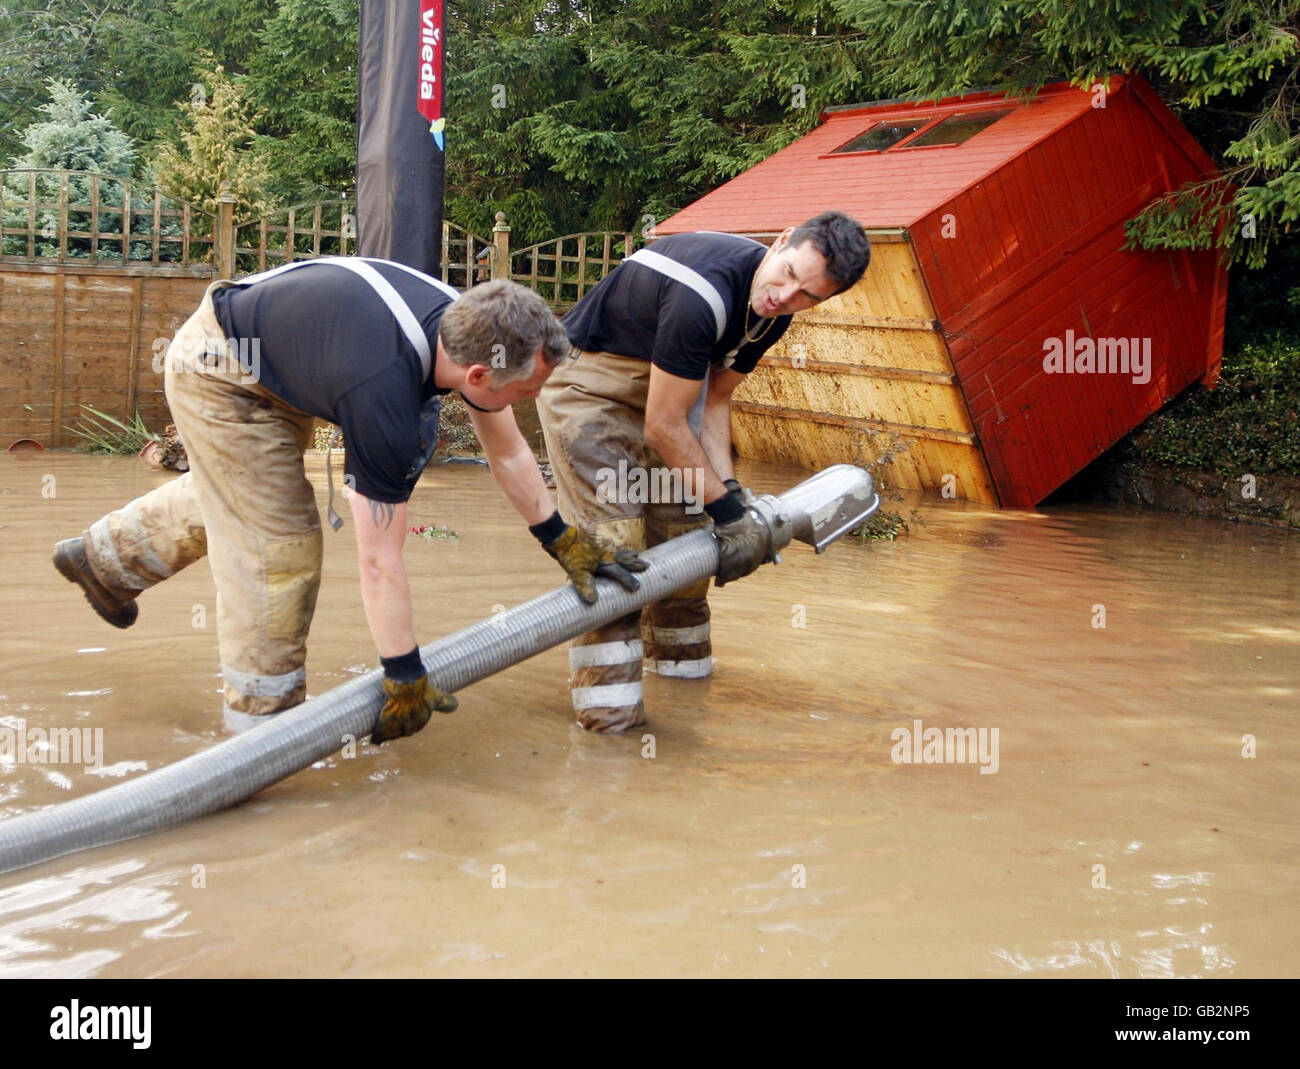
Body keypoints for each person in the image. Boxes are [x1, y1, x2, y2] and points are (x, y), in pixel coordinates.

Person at [53, 260, 645, 743]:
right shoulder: (383, 395)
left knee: (251, 492)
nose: (534, 398)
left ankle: (104, 560)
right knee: (279, 544)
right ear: (478, 378)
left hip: (279, 357)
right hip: (218, 368)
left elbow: (510, 454)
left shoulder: (471, 324)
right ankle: (262, 730)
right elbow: (379, 559)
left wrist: (561, 539)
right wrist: (404, 672)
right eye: (529, 389)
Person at [537, 212, 871, 734]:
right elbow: (665, 427)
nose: (786, 297)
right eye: (787, 274)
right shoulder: (703, 295)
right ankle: (610, 725)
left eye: (808, 295)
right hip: (591, 389)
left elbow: (714, 400)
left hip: (668, 397)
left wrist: (730, 499)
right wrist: (732, 516)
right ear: (780, 239)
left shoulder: (771, 315)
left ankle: (684, 684)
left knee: (686, 542)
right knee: (613, 552)